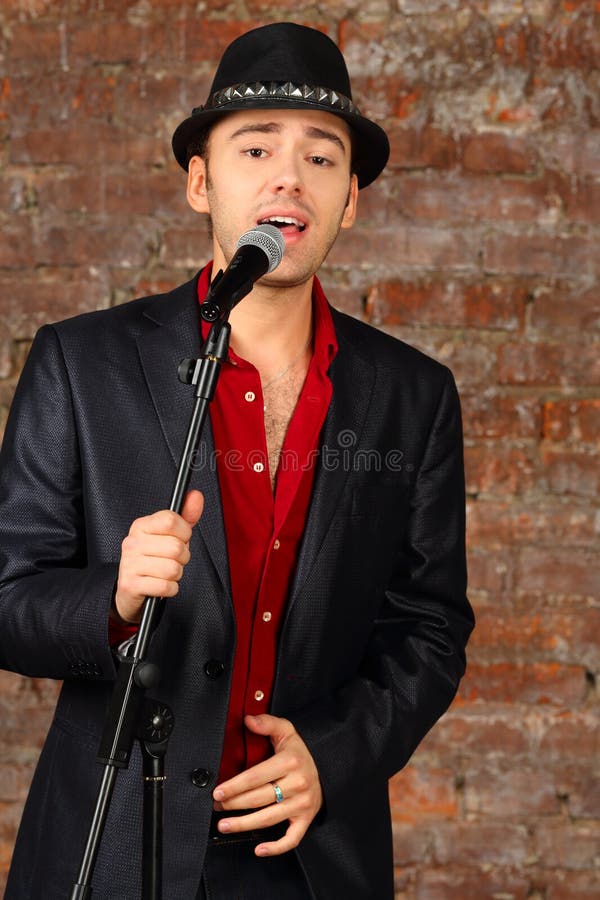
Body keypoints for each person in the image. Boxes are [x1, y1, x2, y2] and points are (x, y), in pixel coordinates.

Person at [0, 21, 474, 900]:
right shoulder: (79, 362)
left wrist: (334, 755)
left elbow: (431, 626)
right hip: (110, 851)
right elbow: (8, 596)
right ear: (200, 181)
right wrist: (109, 595)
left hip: (309, 859)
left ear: (351, 200)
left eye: (323, 158)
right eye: (256, 146)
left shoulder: (414, 395)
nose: (289, 175)